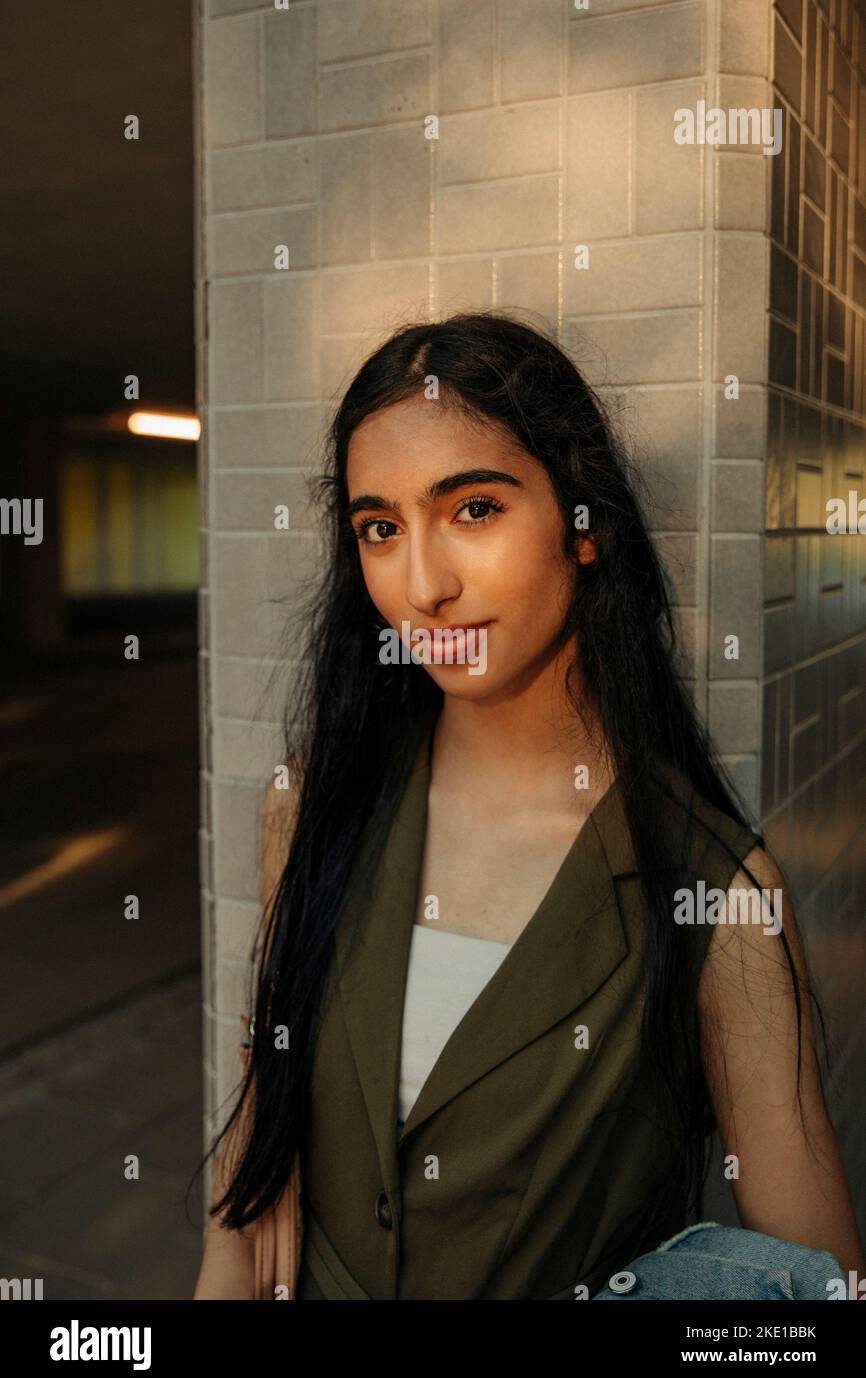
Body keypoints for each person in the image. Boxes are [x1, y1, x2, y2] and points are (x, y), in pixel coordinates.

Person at [192, 311, 864, 1300]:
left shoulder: (713, 898)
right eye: (380, 528)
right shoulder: (311, 806)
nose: (422, 584)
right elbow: (255, 1126)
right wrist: (263, 1165)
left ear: (582, 525)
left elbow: (815, 1294)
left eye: (472, 509)